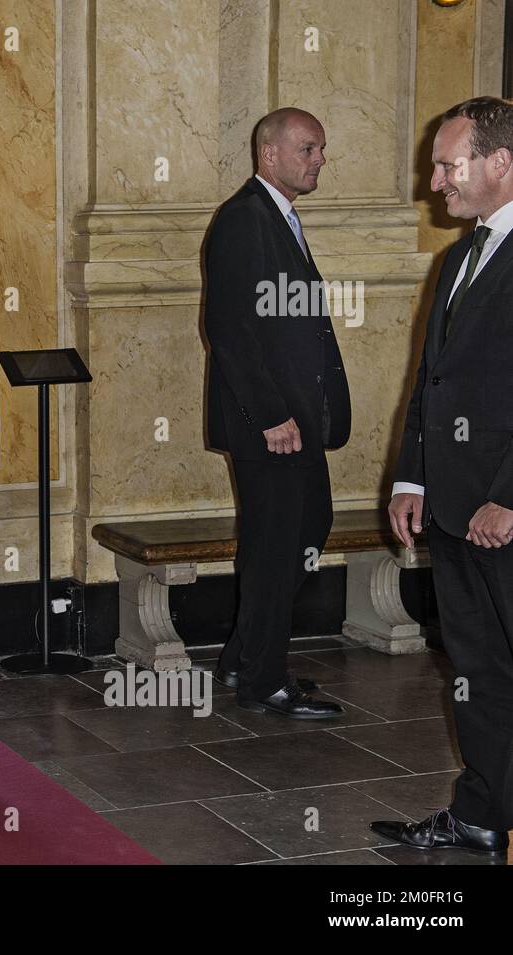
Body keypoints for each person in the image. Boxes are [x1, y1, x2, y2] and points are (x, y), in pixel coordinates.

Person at [373, 96, 513, 855]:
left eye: (447, 164)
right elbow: (433, 379)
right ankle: (483, 811)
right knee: (479, 670)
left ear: (501, 162)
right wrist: (412, 478)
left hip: (504, 510)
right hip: (455, 511)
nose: (435, 182)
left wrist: (511, 498)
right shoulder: (456, 258)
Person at [202, 107, 350, 719]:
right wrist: (270, 415)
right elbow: (228, 329)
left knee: (300, 532)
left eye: (320, 150)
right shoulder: (244, 218)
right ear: (270, 154)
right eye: (309, 149)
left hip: (294, 419)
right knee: (278, 544)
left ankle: (245, 656)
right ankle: (264, 679)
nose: (320, 160)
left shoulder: (277, 217)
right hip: (270, 423)